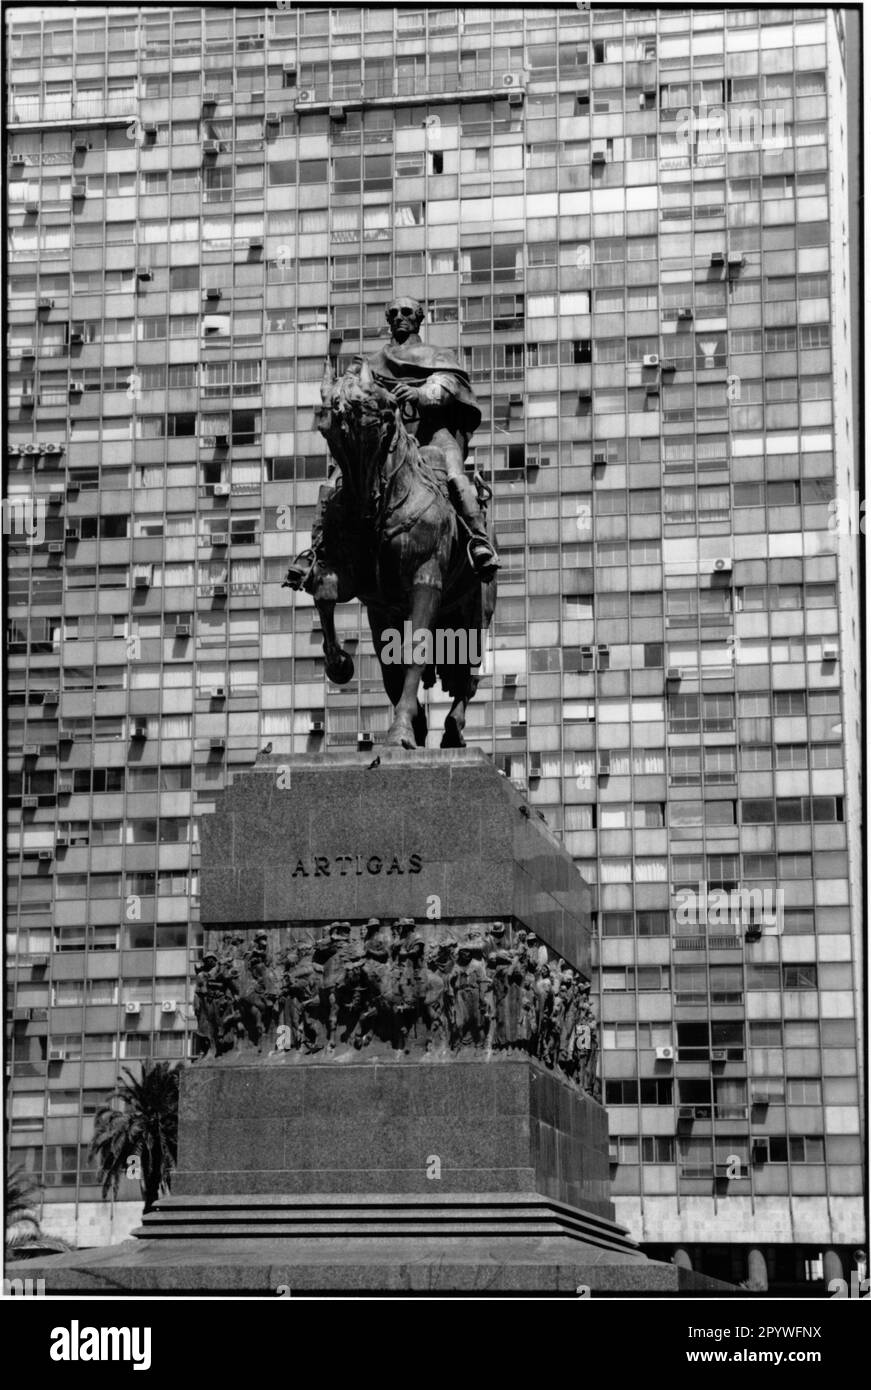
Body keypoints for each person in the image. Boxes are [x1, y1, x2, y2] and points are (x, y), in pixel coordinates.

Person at [284, 296, 500, 588]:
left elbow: (450, 386)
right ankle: (317, 551)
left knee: (455, 476)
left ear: (419, 317)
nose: (400, 317)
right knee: (333, 482)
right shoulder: (370, 363)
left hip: (431, 437)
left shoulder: (438, 356)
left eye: (407, 312)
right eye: (394, 313)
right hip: (385, 441)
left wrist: (421, 394)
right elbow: (347, 389)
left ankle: (477, 540)